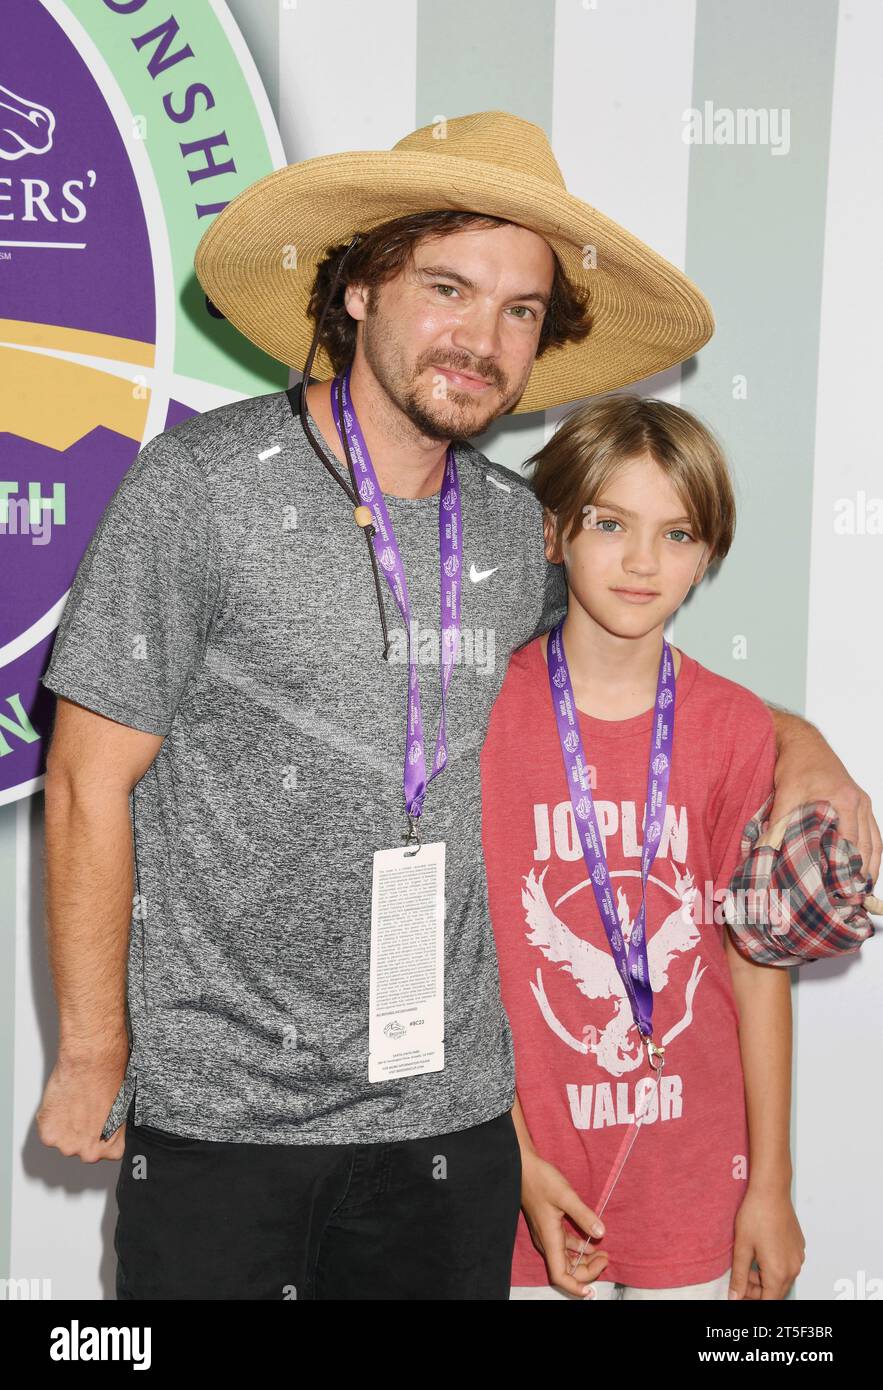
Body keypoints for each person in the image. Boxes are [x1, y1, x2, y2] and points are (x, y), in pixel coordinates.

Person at [35, 111, 878, 1301]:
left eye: (520, 310)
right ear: (359, 292)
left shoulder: (510, 527)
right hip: (228, 1118)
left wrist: (807, 748)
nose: (482, 338)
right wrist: (90, 1049)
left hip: (452, 1124)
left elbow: (629, 669)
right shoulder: (200, 488)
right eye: (448, 287)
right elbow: (85, 779)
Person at [480, 395, 811, 1301]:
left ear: (709, 554)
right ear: (554, 532)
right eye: (610, 524)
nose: (639, 561)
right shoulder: (480, 715)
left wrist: (770, 1186)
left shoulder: (736, 728)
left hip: (697, 1179)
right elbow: (447, 961)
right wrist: (509, 1155)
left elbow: (755, 967)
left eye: (676, 534)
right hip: (520, 1176)